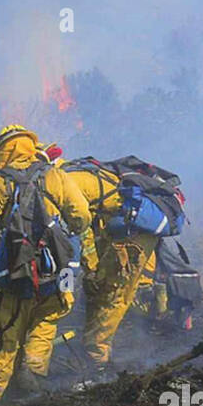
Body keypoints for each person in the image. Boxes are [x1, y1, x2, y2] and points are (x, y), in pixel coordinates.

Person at [0, 125, 91, 399]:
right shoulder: (54, 174)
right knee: (49, 316)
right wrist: (70, 236)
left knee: (7, 329)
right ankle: (31, 378)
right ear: (31, 146)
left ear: (3, 152)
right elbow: (81, 213)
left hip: (15, 271)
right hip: (59, 269)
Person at [61, 156, 161, 366]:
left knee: (115, 292)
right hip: (122, 227)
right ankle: (97, 343)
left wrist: (90, 268)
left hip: (134, 233)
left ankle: (97, 356)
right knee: (108, 287)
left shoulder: (64, 185)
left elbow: (81, 229)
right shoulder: (73, 176)